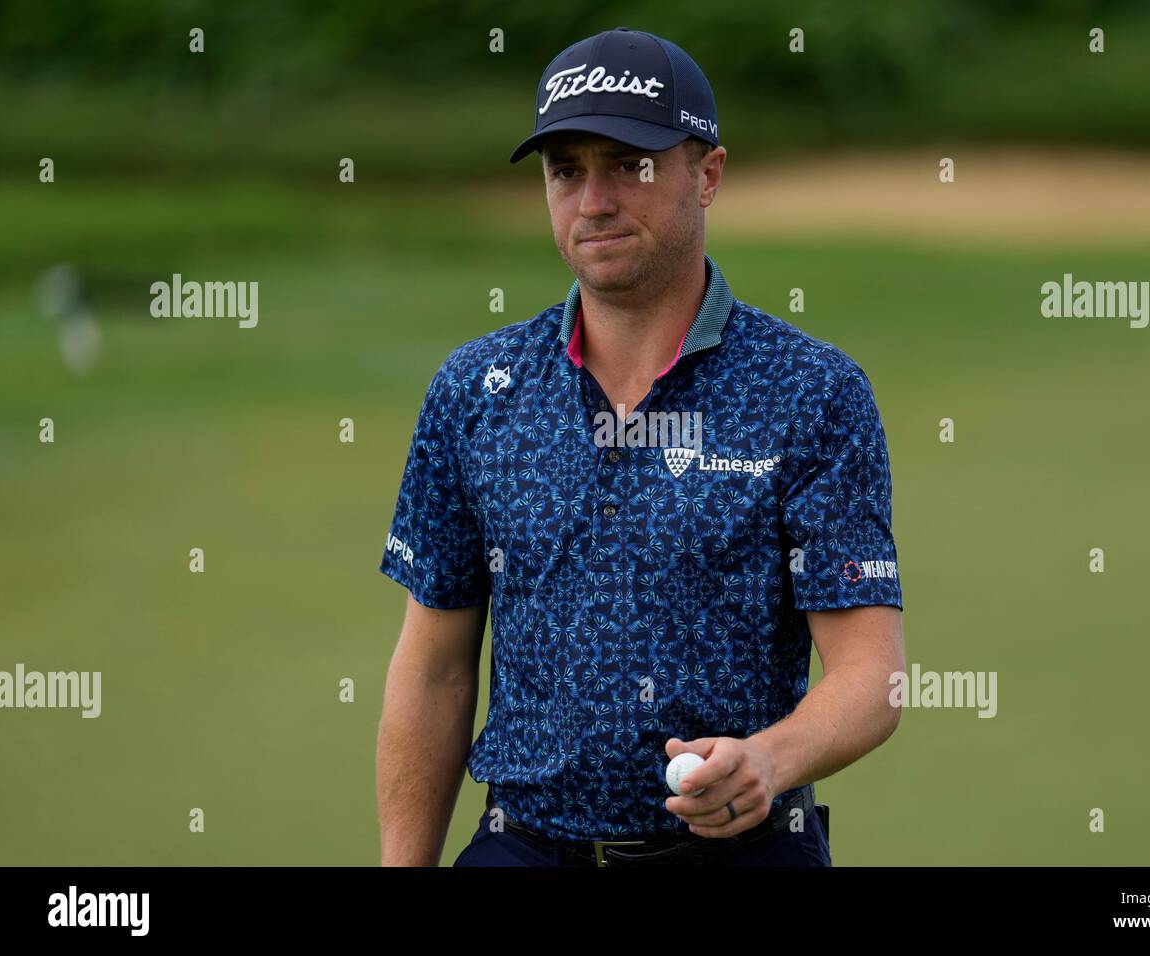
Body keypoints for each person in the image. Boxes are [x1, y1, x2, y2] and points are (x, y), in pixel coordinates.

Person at [376, 27, 905, 867]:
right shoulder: (474, 391)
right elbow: (435, 667)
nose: (594, 201)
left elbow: (874, 677)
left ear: (708, 175)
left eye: (631, 164)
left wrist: (766, 761)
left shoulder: (813, 392)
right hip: (522, 847)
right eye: (567, 171)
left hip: (744, 852)